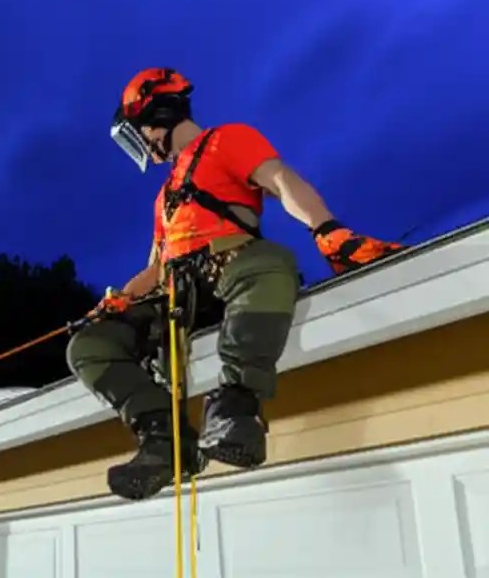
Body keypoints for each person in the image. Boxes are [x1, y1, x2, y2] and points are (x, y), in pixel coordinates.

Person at [66, 67, 404, 501]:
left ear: (159, 112)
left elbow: (284, 182)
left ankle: (236, 406)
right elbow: (154, 268)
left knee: (270, 261)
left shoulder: (227, 141)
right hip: (176, 294)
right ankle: (165, 440)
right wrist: (114, 303)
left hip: (228, 269)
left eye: (142, 131)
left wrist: (326, 229)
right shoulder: (164, 195)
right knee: (88, 345)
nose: (146, 146)